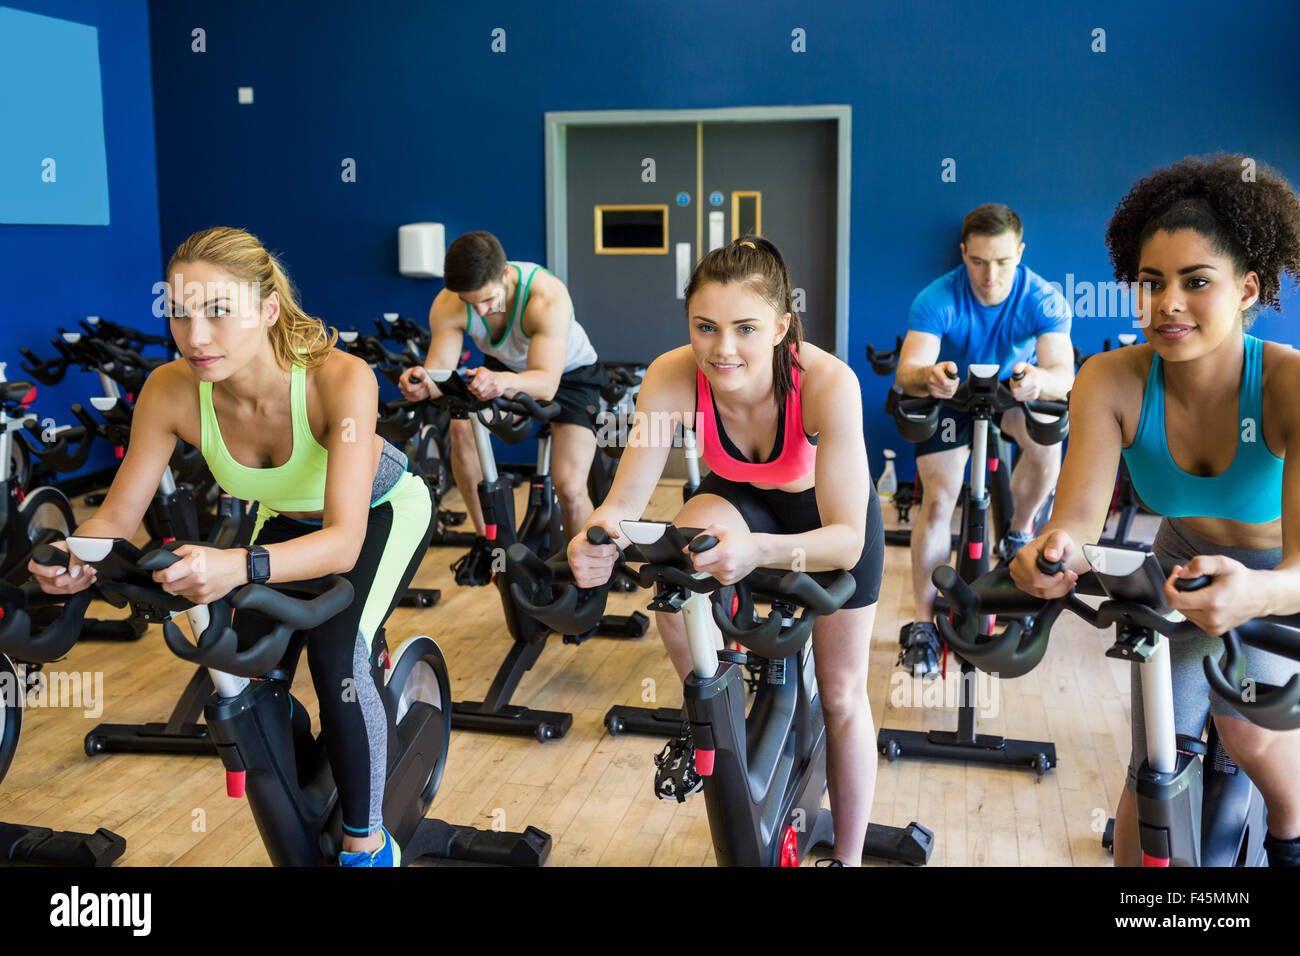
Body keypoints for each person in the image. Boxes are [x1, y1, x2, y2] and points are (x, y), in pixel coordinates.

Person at [31, 227, 434, 867]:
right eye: (181, 313)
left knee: (337, 661)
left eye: (219, 313)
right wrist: (76, 557)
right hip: (284, 520)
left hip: (378, 515)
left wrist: (233, 564)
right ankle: (320, 774)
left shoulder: (339, 380)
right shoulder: (169, 390)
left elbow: (342, 542)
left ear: (268, 311)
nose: (196, 337)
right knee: (241, 665)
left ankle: (366, 841)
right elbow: (115, 516)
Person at [1009, 155, 1300, 867]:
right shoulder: (1109, 379)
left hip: (1276, 579)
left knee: (1250, 736)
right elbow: (1077, 524)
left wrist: (1256, 592)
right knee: (1154, 761)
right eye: (1151, 283)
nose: (1167, 303)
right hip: (1180, 563)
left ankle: (1290, 834)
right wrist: (1053, 556)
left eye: (1196, 282)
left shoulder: (1288, 382)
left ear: (1247, 289)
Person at [567, 237, 884, 866]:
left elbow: (847, 539)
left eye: (745, 328)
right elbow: (624, 499)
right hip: (740, 496)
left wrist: (757, 551)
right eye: (705, 327)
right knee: (675, 586)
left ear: (781, 326)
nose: (723, 348)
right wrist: (594, 535)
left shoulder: (827, 383)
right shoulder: (671, 374)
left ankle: (847, 857)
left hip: (824, 518)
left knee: (842, 690)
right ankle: (714, 720)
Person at [894, 203, 1075, 677]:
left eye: (1001, 262)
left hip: (1013, 396)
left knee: (1045, 448)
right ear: (963, 253)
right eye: (977, 261)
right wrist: (928, 376)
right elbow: (907, 373)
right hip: (954, 400)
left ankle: (1018, 533)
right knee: (937, 503)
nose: (989, 275)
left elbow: (1063, 374)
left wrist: (1039, 380)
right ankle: (922, 626)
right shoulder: (938, 297)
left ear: (1019, 252)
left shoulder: (1043, 299)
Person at [398, 231, 607, 584]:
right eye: (470, 302)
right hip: (503, 371)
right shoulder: (449, 303)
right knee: (462, 424)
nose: (480, 311)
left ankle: (590, 578)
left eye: (488, 300)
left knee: (569, 487)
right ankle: (486, 538)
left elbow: (545, 384)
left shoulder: (547, 297)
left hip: (569, 377)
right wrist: (420, 381)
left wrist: (502, 384)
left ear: (506, 275)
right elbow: (439, 375)